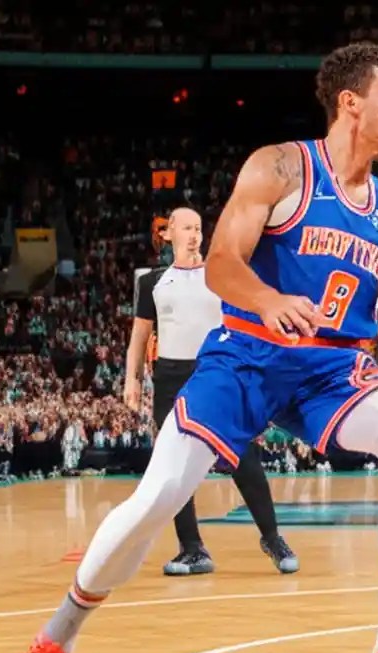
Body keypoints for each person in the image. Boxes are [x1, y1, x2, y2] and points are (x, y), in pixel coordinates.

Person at [0, 42, 378, 653]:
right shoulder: (281, 167)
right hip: (247, 354)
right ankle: (55, 642)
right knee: (160, 494)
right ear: (351, 102)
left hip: (331, 366)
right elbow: (222, 264)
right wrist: (266, 300)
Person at [124, 206, 299, 577]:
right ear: (168, 232)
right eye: (186, 228)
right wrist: (132, 381)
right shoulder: (151, 282)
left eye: (198, 229)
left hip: (217, 372)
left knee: (242, 456)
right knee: (175, 468)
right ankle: (192, 549)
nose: (194, 235)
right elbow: (140, 335)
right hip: (170, 377)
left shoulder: (220, 276)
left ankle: (272, 537)